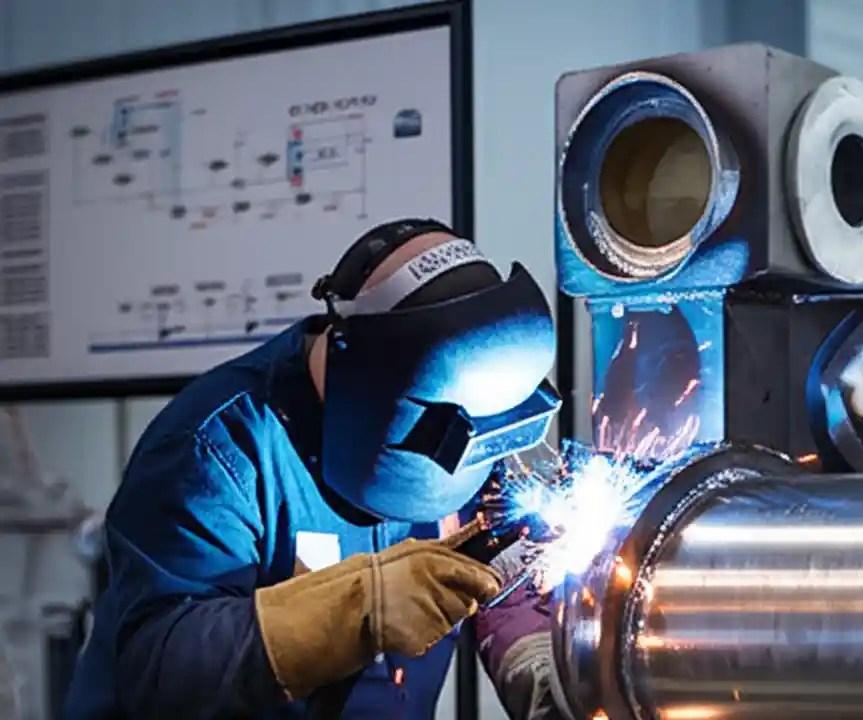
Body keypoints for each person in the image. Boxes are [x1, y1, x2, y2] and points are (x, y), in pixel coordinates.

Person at [64, 219, 569, 719]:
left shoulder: (474, 413)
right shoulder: (216, 448)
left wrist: (539, 662)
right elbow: (160, 667)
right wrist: (354, 610)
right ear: (375, 380)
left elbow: (498, 572)